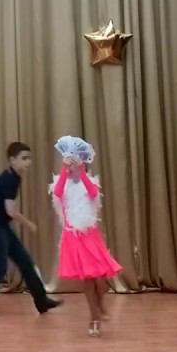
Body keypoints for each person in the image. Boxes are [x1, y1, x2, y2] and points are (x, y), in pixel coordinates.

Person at [0, 142, 60, 316]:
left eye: (29, 158)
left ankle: (41, 300)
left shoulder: (14, 176)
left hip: (0, 225)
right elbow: (11, 211)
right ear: (12, 160)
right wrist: (28, 223)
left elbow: (7, 211)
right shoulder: (9, 179)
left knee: (25, 262)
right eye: (24, 158)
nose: (28, 162)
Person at [50, 136, 122, 337]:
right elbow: (57, 193)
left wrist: (81, 172)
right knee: (88, 280)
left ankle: (100, 306)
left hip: (90, 235)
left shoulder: (90, 182)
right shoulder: (63, 183)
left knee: (100, 278)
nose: (72, 166)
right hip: (73, 236)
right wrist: (64, 170)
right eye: (70, 162)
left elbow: (92, 194)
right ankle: (94, 316)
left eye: (76, 161)